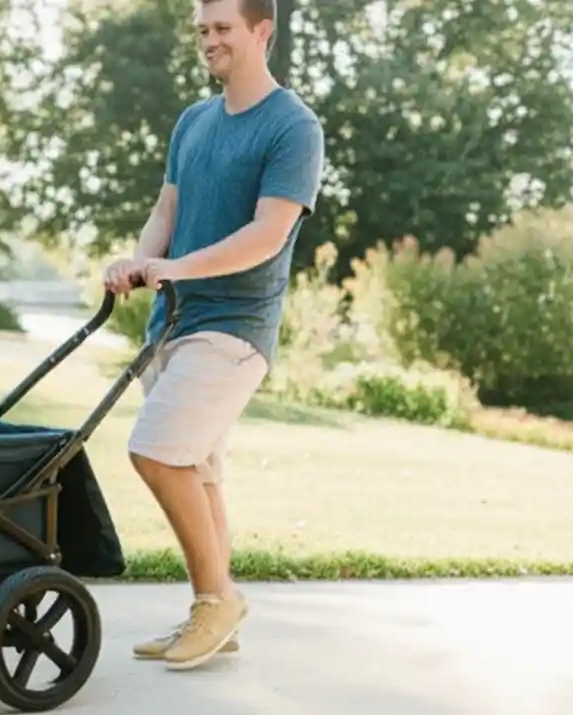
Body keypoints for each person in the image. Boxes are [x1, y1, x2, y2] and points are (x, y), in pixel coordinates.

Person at [103, 0, 325, 671]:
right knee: (198, 471)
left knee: (158, 452)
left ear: (262, 31)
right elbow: (166, 209)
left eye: (222, 28)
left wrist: (176, 267)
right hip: (172, 323)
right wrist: (140, 260)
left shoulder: (292, 126)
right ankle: (216, 611)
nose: (209, 41)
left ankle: (213, 600)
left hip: (233, 326)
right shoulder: (193, 121)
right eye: (202, 30)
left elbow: (266, 236)